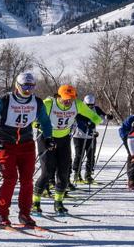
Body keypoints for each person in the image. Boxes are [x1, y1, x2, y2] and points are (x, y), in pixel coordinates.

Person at [0, 71, 53, 228]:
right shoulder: (3, 101)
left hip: (27, 145)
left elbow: (45, 122)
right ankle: (2, 214)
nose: (28, 90)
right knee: (10, 179)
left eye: (31, 86)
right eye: (25, 86)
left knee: (27, 181)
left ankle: (25, 214)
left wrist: (49, 137)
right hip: (6, 144)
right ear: (17, 85)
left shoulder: (37, 102)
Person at [31, 84, 103, 216]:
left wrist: (94, 122)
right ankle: (35, 203)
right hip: (46, 138)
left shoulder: (78, 104)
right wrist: (37, 123)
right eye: (65, 98)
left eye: (71, 98)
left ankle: (58, 203)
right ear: (58, 96)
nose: (68, 101)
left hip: (64, 139)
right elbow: (31, 118)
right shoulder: (48, 104)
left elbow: (95, 117)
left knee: (64, 173)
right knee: (47, 172)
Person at [71, 94, 102, 186]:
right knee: (79, 155)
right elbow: (78, 118)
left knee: (91, 156)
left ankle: (88, 175)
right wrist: (86, 123)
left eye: (92, 105)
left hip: (91, 136)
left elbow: (103, 115)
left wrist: (108, 116)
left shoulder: (96, 109)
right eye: (88, 105)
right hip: (79, 136)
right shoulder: (80, 109)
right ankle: (77, 175)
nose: (90, 107)